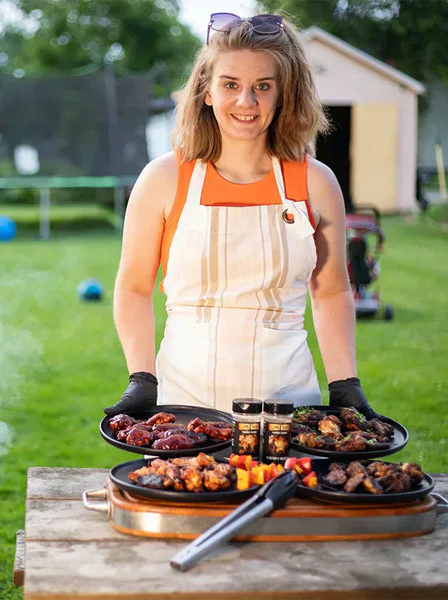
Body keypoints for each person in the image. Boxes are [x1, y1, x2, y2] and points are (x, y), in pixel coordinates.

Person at [104, 12, 377, 419]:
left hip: (289, 409)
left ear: (283, 94)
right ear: (207, 91)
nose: (246, 102)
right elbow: (134, 288)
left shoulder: (316, 183)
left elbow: (332, 290)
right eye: (230, 84)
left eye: (262, 87)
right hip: (184, 410)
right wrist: (142, 378)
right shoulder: (163, 179)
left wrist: (345, 384)